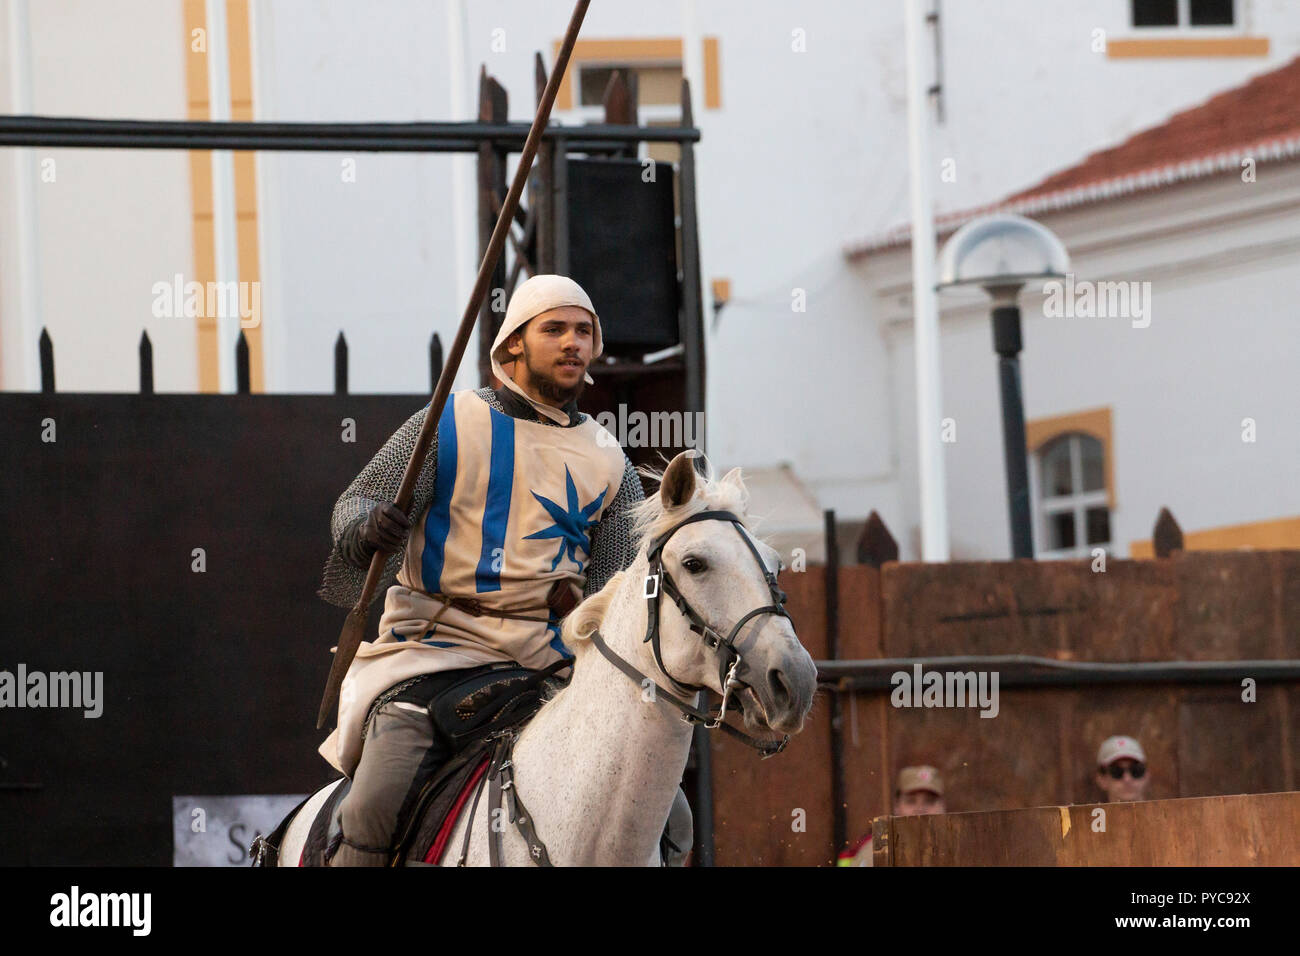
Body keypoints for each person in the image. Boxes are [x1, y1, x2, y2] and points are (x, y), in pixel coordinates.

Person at [316, 274, 666, 866]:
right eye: (553, 329)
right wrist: (366, 525)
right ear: (511, 346)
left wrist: (586, 604)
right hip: (433, 649)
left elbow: (615, 588)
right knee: (377, 797)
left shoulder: (608, 458)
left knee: (666, 811)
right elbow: (351, 506)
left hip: (545, 659)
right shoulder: (449, 421)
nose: (572, 343)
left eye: (583, 331)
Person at [837, 764, 947, 866]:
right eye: (911, 801)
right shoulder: (878, 850)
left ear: (943, 806)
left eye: (929, 801)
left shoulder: (958, 846)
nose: (920, 809)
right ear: (897, 806)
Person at [1094, 735, 1150, 803]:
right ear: (1101, 779)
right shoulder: (1086, 814)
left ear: (1146, 775)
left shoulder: (1165, 813)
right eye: (1117, 772)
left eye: (1136, 771)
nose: (1127, 779)